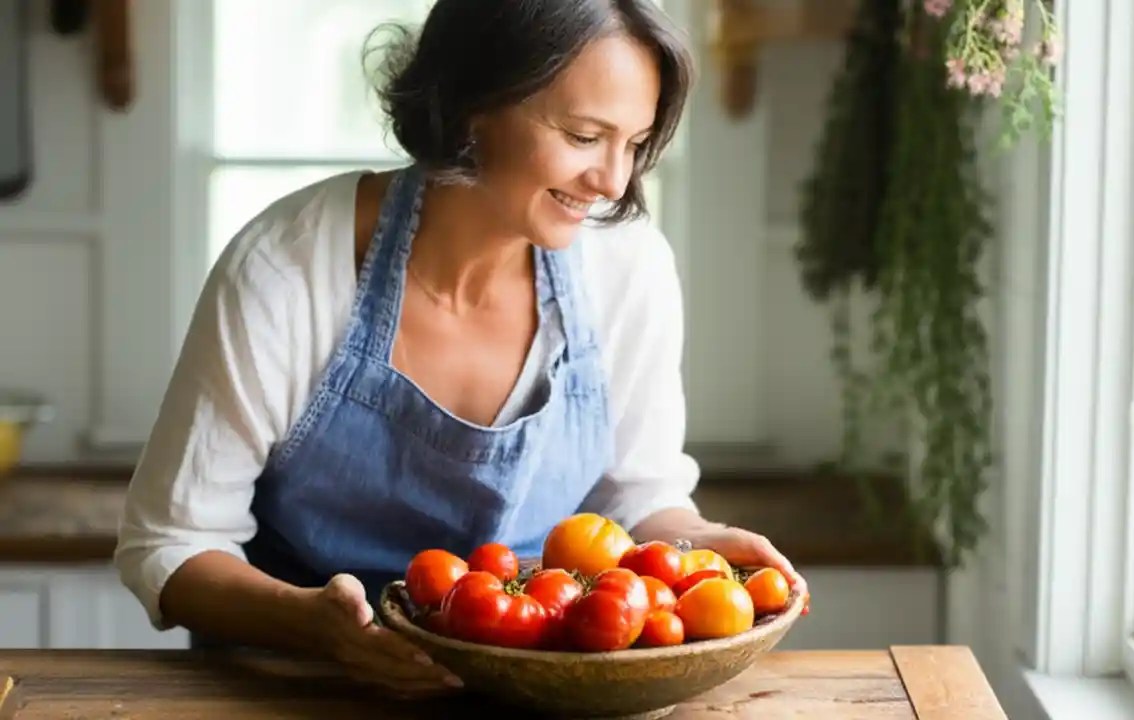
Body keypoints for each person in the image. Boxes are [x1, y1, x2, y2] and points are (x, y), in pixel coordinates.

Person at [114, 0, 806, 698]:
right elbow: (171, 545)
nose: (614, 182)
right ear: (472, 103)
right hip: (295, 689)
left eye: (634, 143)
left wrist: (698, 547)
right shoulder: (287, 266)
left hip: (539, 697)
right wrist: (311, 625)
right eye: (584, 135)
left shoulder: (626, 266)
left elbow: (636, 498)